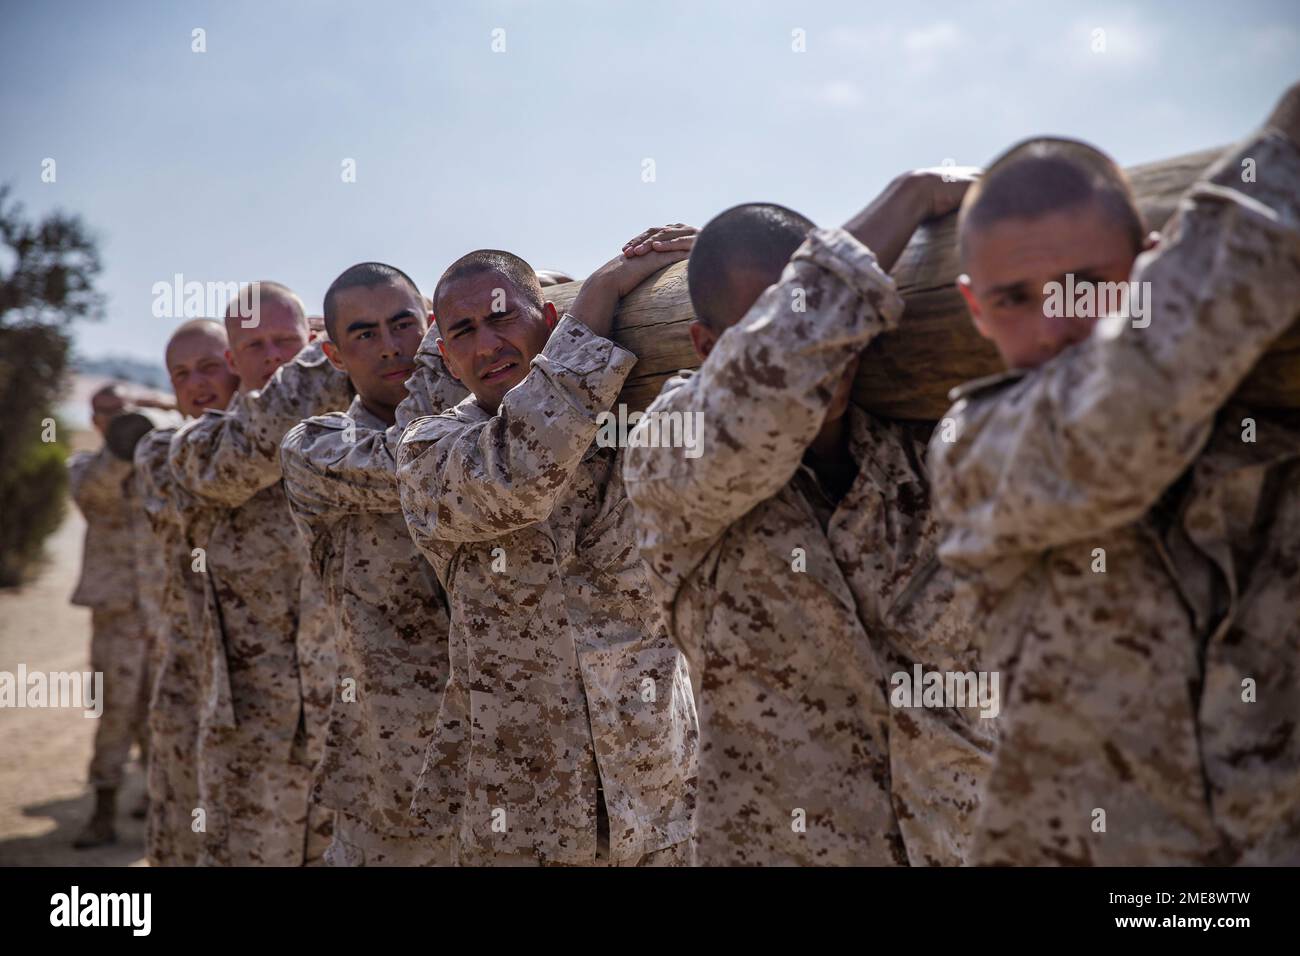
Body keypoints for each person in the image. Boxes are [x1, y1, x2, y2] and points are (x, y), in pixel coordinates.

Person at [928, 83, 1300, 864]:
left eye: (1089, 286)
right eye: (1014, 298)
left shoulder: (1261, 426)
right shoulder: (972, 449)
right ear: (972, 308)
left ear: (1154, 267)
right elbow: (1120, 416)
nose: (1058, 327)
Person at [622, 172, 998, 865]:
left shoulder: (926, 450)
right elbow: (772, 380)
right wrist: (910, 195)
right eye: (768, 317)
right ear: (708, 347)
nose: (824, 342)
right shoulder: (665, 451)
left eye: (833, 314)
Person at [395, 231, 699, 866]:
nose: (486, 344)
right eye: (464, 332)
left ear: (551, 324)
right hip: (523, 815)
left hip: (655, 795)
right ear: (448, 360)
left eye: (503, 317)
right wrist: (605, 288)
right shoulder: (429, 453)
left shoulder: (633, 426)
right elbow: (524, 469)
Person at [281, 262, 467, 865]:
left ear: (429, 324)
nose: (391, 347)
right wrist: (446, 358)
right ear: (334, 356)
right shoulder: (317, 448)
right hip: (393, 782)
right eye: (364, 334)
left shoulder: (493, 434)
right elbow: (413, 462)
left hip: (514, 763)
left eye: (403, 324)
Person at [167, 282, 351, 865]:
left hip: (347, 725)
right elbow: (258, 439)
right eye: (256, 345)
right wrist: (331, 349)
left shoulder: (353, 431)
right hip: (252, 735)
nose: (273, 356)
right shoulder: (193, 448)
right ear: (233, 359)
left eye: (285, 342)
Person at [129, 319, 239, 865]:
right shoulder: (159, 451)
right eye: (182, 374)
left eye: (210, 366)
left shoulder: (291, 437)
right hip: (190, 689)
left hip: (271, 697)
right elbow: (226, 464)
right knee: (180, 841)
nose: (197, 383)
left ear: (236, 364)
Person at [67, 384, 152, 848]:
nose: (115, 419)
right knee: (115, 710)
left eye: (122, 411)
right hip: (116, 613)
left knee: (161, 708)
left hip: (162, 611)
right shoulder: (84, 468)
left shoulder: (158, 461)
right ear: (94, 420)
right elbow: (98, 490)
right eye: (106, 414)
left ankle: (161, 796)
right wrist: (123, 441)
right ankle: (103, 810)